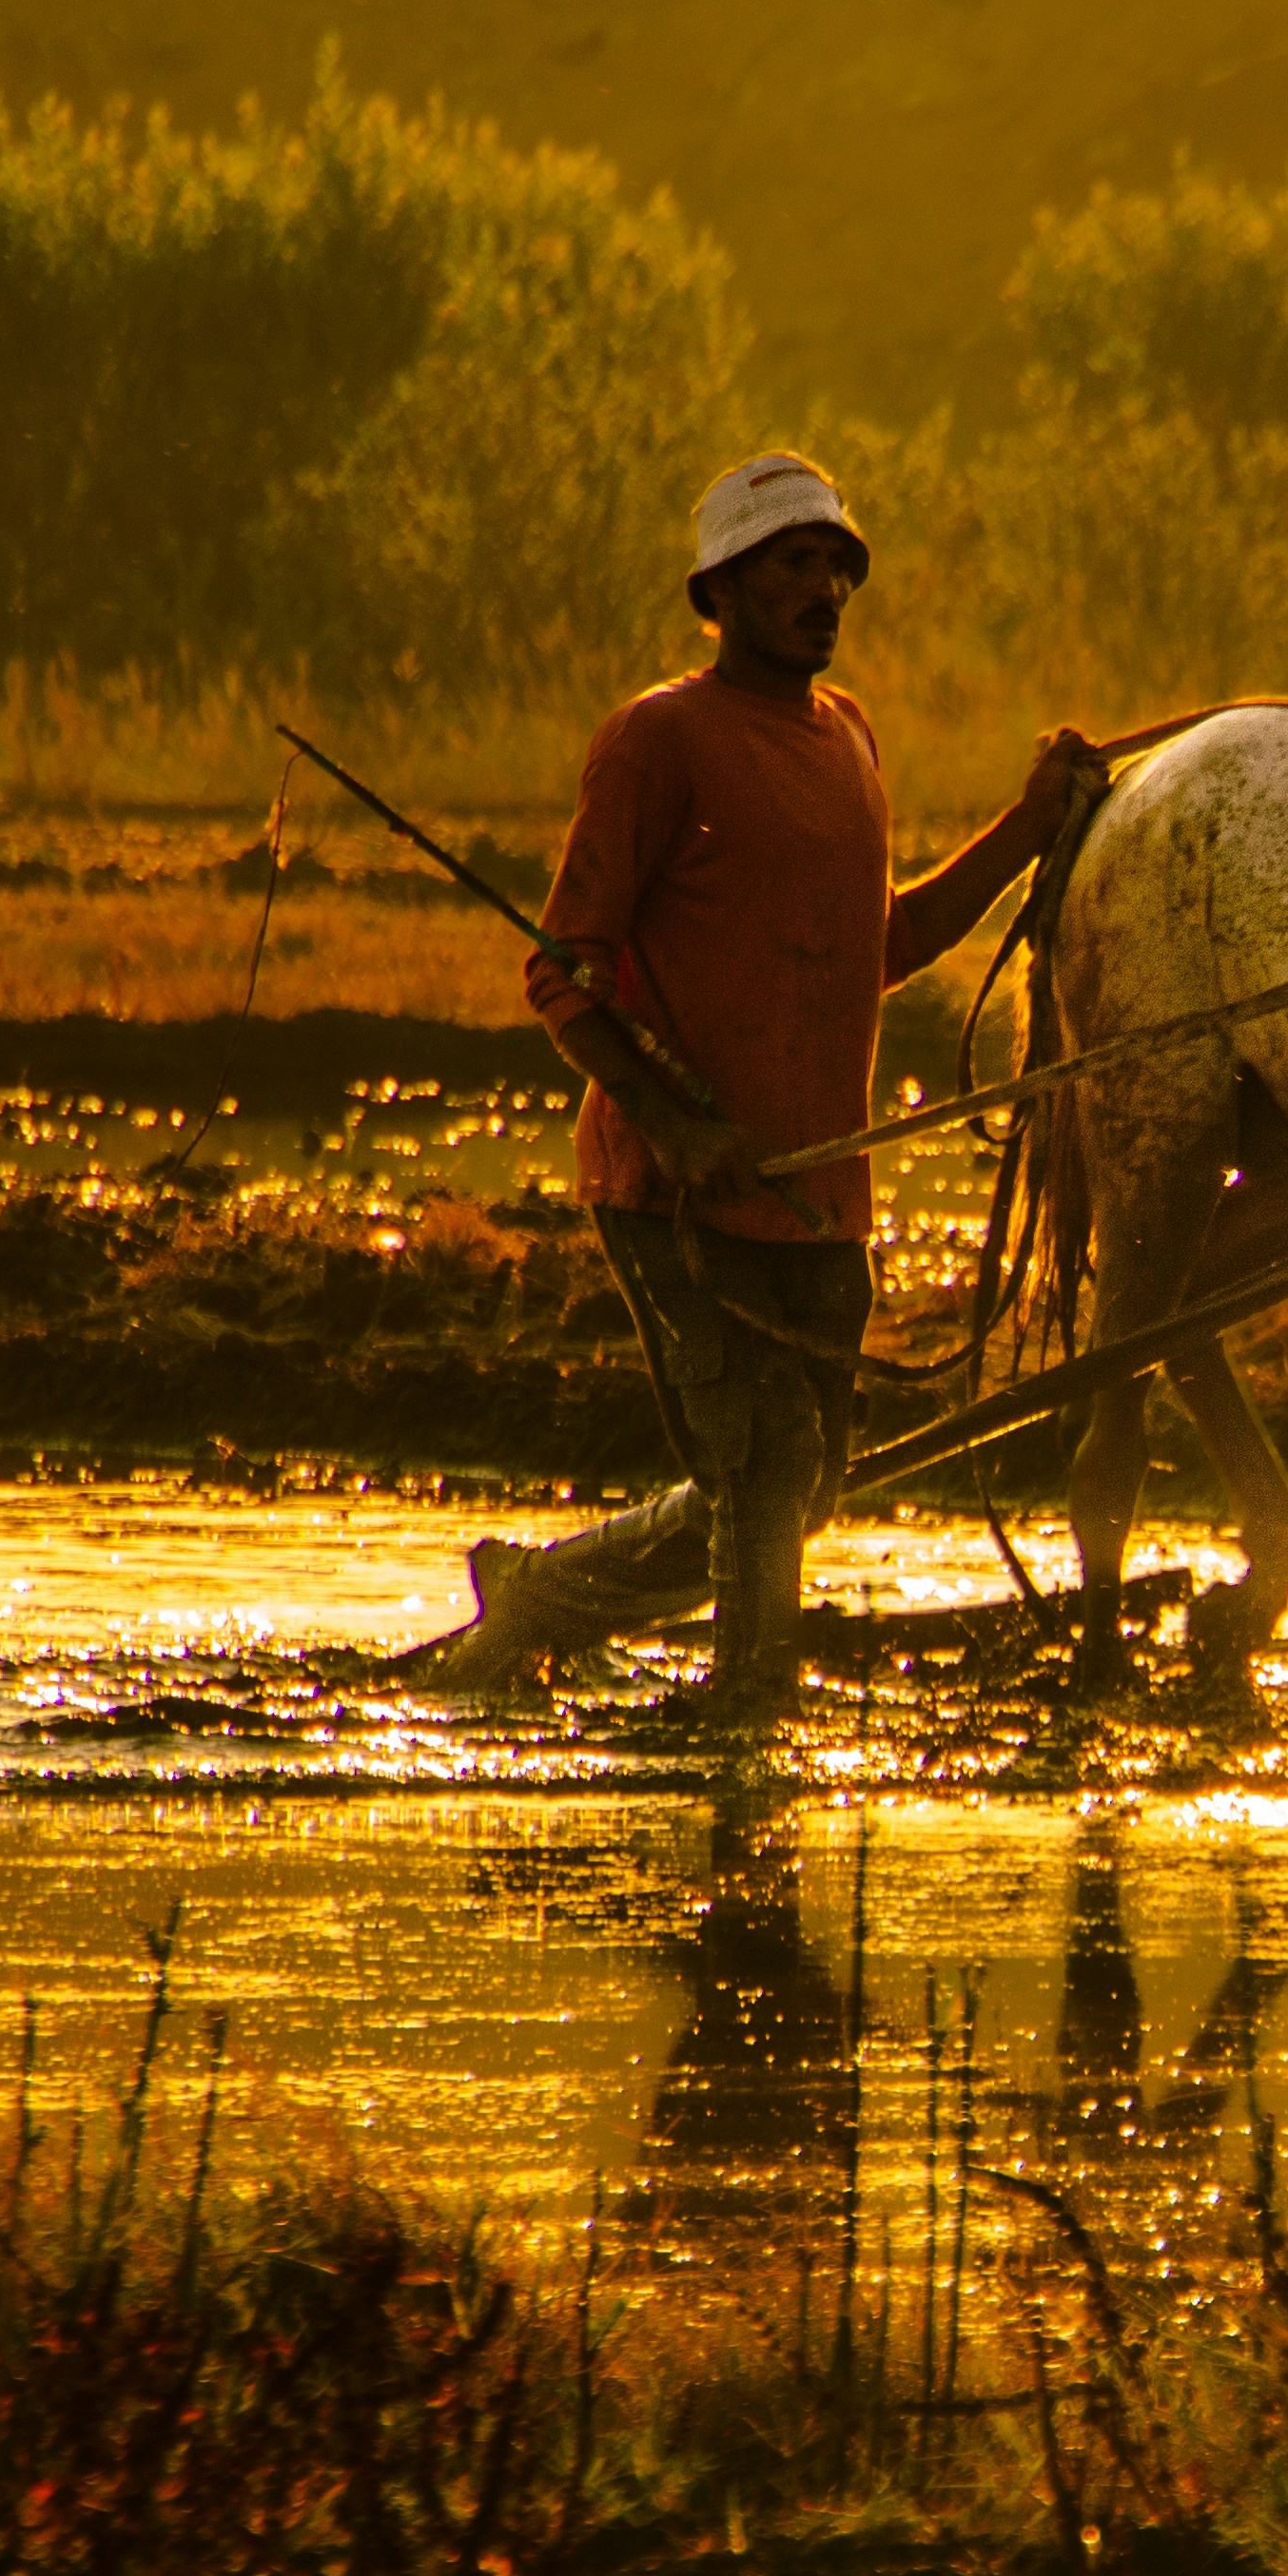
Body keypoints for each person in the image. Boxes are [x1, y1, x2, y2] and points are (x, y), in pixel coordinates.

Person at [459, 452, 1101, 1716]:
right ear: (723, 590)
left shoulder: (848, 734)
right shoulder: (658, 739)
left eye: (834, 568)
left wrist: (1031, 827)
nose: (823, 590)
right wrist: (675, 1125)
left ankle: (546, 1596)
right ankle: (749, 1719)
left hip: (819, 1192)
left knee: (795, 1482)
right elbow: (563, 973)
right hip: (678, 1196)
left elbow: (888, 944)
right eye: (792, 566)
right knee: (761, 1465)